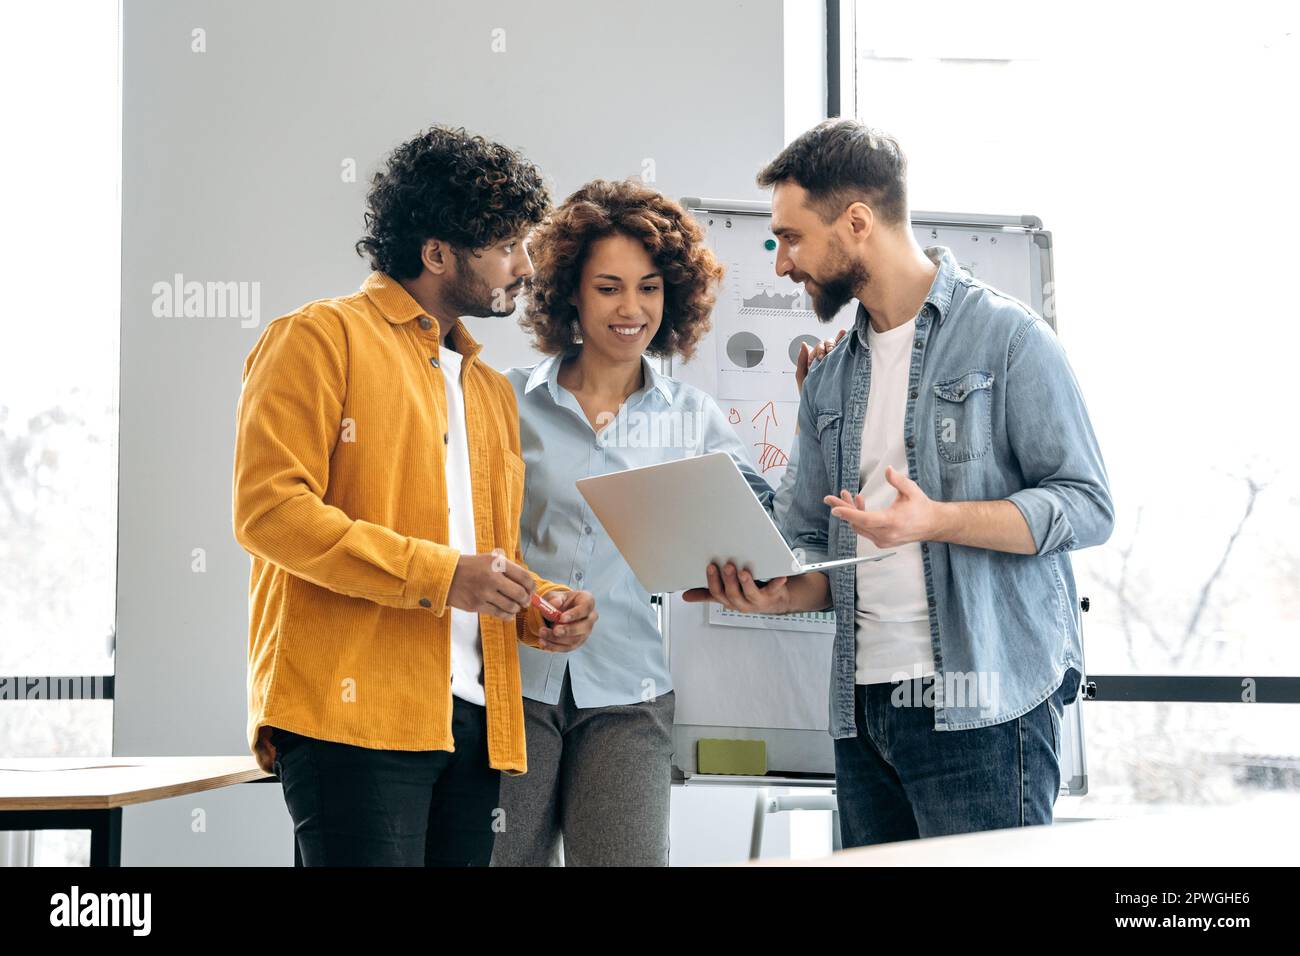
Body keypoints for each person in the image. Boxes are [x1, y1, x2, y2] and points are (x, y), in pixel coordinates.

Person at [685, 118, 1114, 847]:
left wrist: (936, 520)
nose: (783, 264)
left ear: (856, 222)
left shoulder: (1007, 339)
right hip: (862, 715)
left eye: (790, 237)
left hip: (983, 709)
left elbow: (1086, 504)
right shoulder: (830, 375)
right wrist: (774, 593)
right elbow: (821, 550)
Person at [232, 126, 598, 866]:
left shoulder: (489, 390)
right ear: (437, 254)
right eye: (507, 246)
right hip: (350, 716)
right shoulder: (317, 337)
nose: (525, 267)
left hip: (472, 722)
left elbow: (486, 553)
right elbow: (270, 513)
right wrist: (441, 575)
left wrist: (537, 604)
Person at [490, 179, 832, 866]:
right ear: (570, 295)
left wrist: (812, 416)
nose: (631, 309)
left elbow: (774, 530)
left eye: (649, 288)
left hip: (629, 694)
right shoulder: (505, 404)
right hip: (511, 687)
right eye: (608, 287)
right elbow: (465, 537)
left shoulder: (694, 417)